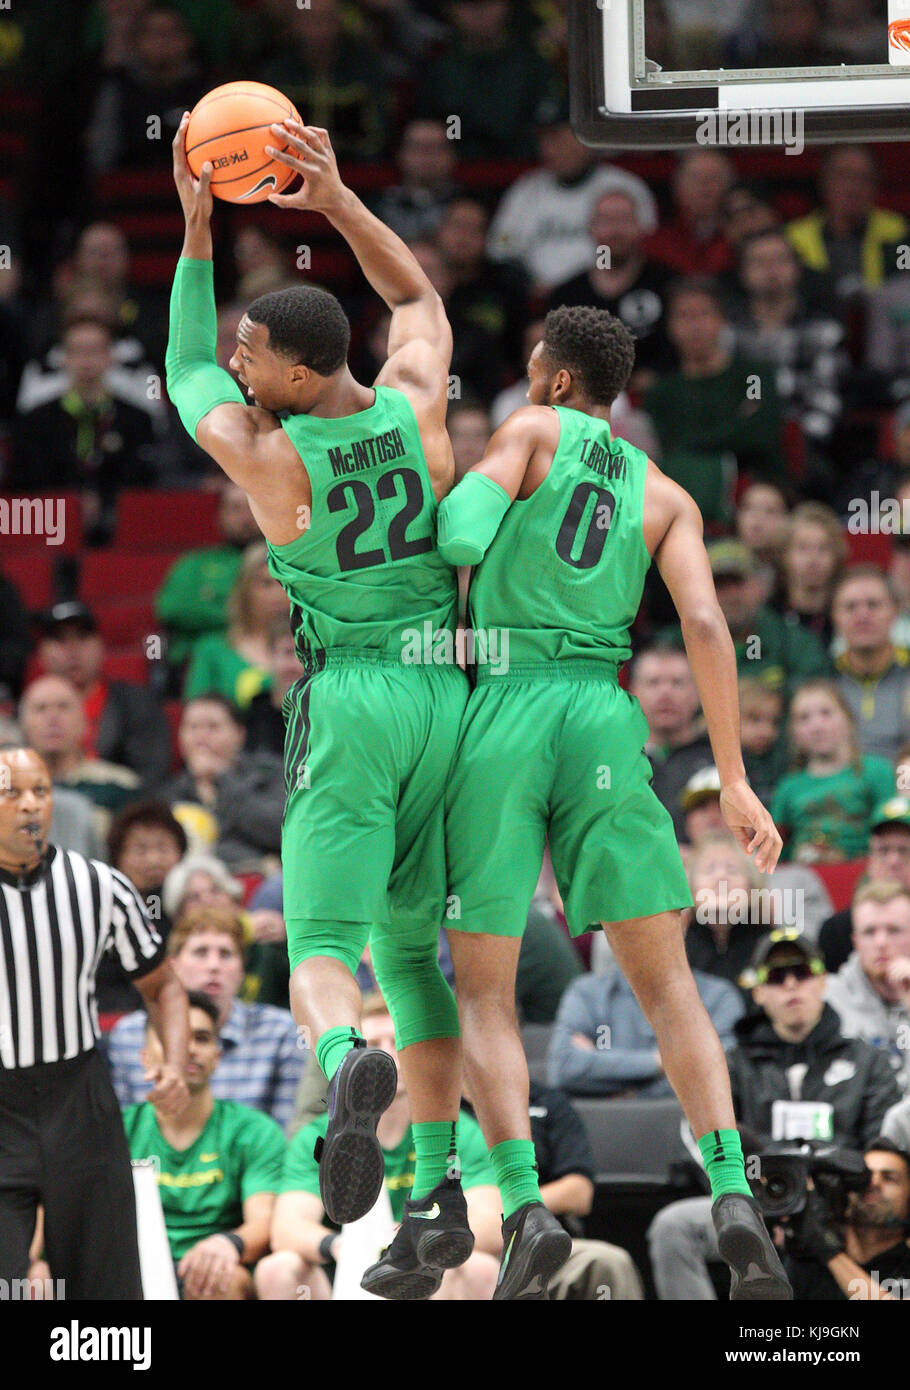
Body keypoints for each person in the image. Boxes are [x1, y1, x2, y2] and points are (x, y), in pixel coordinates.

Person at [434, 302, 791, 1299]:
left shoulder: (530, 432)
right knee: (667, 983)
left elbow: (460, 535)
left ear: (551, 382)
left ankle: (523, 1209)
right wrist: (733, 779)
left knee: (484, 993)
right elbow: (709, 625)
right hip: (602, 711)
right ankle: (729, 1191)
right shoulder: (666, 492)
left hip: (503, 707)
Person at [166, 118, 471, 1255]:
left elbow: (182, 366)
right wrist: (337, 199)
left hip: (348, 702)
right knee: (415, 953)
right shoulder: (415, 404)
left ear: (293, 372)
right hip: (447, 698)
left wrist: (199, 227)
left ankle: (348, 1064)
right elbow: (422, 302)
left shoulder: (268, 451)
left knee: (320, 954)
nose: (239, 365)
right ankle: (435, 1185)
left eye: (255, 353)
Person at [0, 747, 189, 1300]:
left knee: (104, 1285)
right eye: (13, 792)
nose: (31, 805)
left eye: (42, 790)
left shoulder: (100, 886)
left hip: (79, 1097)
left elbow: (165, 986)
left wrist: (174, 1062)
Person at [647, 930, 900, 1300]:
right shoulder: (730, 1064)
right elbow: (697, 1132)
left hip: (843, 1206)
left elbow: (880, 1146)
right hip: (750, 1200)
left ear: (823, 980)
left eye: (802, 971)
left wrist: (829, 1193)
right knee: (673, 1226)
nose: (791, 984)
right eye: (776, 977)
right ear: (758, 991)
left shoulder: (867, 1061)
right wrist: (752, 1195)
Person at [255, 995, 501, 1301]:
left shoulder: (458, 1129)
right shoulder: (315, 1136)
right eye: (372, 1044)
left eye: (397, 1043)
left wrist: (419, 1238)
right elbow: (287, 1228)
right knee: (278, 1267)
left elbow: (490, 1226)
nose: (386, 1054)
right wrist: (341, 1246)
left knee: (480, 1267)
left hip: (429, 1270)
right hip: (347, 1272)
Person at [123, 991, 286, 1300]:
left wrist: (227, 1244)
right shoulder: (117, 1131)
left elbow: (264, 1222)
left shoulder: (253, 1131)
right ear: (146, 1056)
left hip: (214, 1266)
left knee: (223, 1280)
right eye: (173, 1037)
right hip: (134, 1264)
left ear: (217, 1056)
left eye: (201, 1038)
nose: (189, 1049)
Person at [107, 904, 304, 1127]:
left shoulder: (280, 1031)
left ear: (242, 971)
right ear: (172, 966)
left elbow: (288, 1131)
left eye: (226, 954)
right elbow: (123, 1131)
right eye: (200, 952)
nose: (213, 966)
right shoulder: (129, 1036)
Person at [486, 96, 657, 295]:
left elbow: (646, 247)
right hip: (540, 302)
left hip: (609, 296)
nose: (551, 149)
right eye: (544, 139)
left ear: (585, 135)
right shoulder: (525, 190)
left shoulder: (624, 186)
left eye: (559, 138)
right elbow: (501, 251)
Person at [645, 280, 785, 522]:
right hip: (687, 499)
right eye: (684, 316)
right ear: (669, 326)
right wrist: (738, 424)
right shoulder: (662, 392)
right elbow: (673, 451)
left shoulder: (754, 376)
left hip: (758, 495)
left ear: (722, 320)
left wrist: (698, 443)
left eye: (703, 314)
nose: (695, 326)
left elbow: (761, 437)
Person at [548, 956, 743, 1099]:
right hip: (603, 1135)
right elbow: (564, 1067)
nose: (639, 924)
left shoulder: (719, 996)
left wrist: (619, 1086)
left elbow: (721, 1074)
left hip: (683, 1135)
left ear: (681, 917)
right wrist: (665, 1062)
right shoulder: (586, 992)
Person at [521, 1079, 645, 1300]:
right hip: (464, 1241)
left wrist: (509, 1210)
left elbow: (578, 1192)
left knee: (609, 1262)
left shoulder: (547, 1102)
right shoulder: (447, 1107)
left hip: (540, 1242)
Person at [658, 541, 832, 697]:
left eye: (738, 584)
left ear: (760, 586)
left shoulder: (795, 644)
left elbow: (814, 703)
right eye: (720, 586)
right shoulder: (675, 646)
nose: (731, 595)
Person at [546, 189, 674, 390]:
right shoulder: (568, 295)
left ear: (641, 227)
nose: (615, 231)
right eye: (606, 221)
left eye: (624, 220)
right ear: (591, 229)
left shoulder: (666, 285)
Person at [36, 600, 171, 786]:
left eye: (82, 637)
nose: (72, 650)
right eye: (60, 639)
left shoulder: (135, 703)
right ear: (42, 652)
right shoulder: (29, 706)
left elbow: (151, 774)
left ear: (100, 646)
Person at [772, 680, 895, 863]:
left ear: (848, 718)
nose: (817, 726)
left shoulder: (878, 771)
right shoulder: (788, 788)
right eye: (803, 718)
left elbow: (894, 835)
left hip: (866, 877)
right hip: (805, 882)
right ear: (792, 732)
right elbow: (775, 852)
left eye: (826, 713)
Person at [161, 694, 285, 870]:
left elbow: (278, 833)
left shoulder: (269, 773)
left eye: (213, 727)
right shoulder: (169, 793)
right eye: (192, 727)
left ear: (240, 734)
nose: (201, 736)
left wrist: (222, 777)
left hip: (260, 878)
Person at [18, 676, 141, 845]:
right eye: (40, 709)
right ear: (23, 725)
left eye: (64, 707)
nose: (52, 718)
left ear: (85, 723)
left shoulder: (121, 784)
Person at [96, 799, 188, 1022]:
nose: (153, 860)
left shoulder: (193, 900)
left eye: (163, 848)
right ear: (117, 857)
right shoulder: (101, 907)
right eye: (140, 849)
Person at [154, 478, 261, 672]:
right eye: (236, 509)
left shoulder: (284, 565)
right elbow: (171, 608)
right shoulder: (194, 563)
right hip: (195, 663)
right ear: (220, 516)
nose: (246, 518)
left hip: (266, 659)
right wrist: (245, 616)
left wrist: (213, 603)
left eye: (252, 507)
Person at [784, 1139, 910, 1300]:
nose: (874, 1183)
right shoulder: (807, 1258)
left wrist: (829, 1250)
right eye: (864, 1176)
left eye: (889, 1178)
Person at [786, 145, 907, 297]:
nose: (853, 188)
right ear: (823, 180)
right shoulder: (793, 237)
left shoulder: (899, 233)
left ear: (876, 186)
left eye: (864, 178)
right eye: (843, 176)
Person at [825, 881, 910, 1096]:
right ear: (855, 941)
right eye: (869, 932)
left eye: (894, 930)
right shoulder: (828, 999)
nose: (881, 942)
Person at [183, 542, 289, 707]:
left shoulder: (317, 647)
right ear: (244, 591)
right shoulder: (212, 650)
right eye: (265, 584)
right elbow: (200, 716)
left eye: (283, 583)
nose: (277, 594)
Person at [629, 646, 713, 840]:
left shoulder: (724, 759)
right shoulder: (614, 758)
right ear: (633, 693)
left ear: (698, 692)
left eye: (677, 683)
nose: (665, 693)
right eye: (653, 683)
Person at [819, 796, 910, 973]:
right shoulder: (839, 930)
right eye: (883, 850)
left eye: (904, 850)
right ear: (870, 857)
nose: (893, 861)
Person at [832, 565, 910, 763]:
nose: (862, 616)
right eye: (850, 607)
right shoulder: (822, 677)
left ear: (896, 611)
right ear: (835, 616)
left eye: (873, 605)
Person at [774, 501, 846, 652]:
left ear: (836, 555)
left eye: (823, 548)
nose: (813, 559)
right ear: (785, 554)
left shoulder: (849, 612)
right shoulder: (770, 614)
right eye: (802, 548)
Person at [243, 616, 304, 758]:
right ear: (270, 656)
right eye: (288, 652)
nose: (296, 665)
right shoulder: (254, 713)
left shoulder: (326, 714)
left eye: (302, 655)